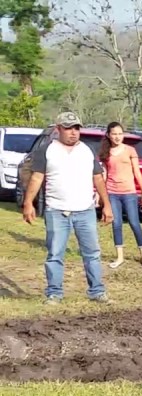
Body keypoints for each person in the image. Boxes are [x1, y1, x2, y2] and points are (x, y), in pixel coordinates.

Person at [21, 111, 112, 304]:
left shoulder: (87, 151)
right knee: (55, 254)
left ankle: (96, 291)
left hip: (85, 210)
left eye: (76, 128)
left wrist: (107, 205)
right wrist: (28, 203)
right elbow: (37, 178)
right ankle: (54, 293)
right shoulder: (46, 150)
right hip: (56, 211)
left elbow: (97, 178)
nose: (73, 132)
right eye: (68, 128)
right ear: (58, 129)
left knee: (92, 253)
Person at [100, 122, 142, 269]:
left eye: (120, 134)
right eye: (114, 134)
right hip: (112, 192)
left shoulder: (130, 150)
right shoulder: (105, 152)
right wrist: (100, 194)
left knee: (134, 223)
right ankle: (119, 256)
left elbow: (137, 172)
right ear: (109, 135)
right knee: (116, 224)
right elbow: (104, 174)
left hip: (129, 192)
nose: (117, 137)